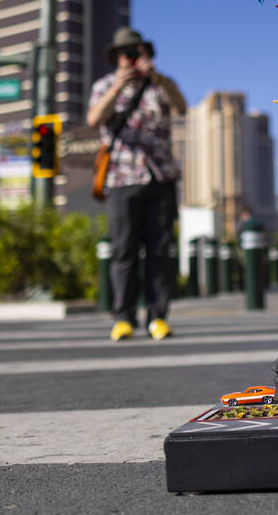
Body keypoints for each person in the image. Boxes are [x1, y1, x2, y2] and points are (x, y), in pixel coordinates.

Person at [87, 27, 186, 341]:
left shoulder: (160, 85)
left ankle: (158, 317)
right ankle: (123, 318)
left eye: (137, 52)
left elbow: (181, 106)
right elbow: (93, 119)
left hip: (160, 177)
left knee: (160, 250)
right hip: (121, 179)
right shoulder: (104, 85)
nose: (131, 57)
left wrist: (158, 77)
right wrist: (117, 89)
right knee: (124, 250)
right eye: (125, 53)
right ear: (116, 57)